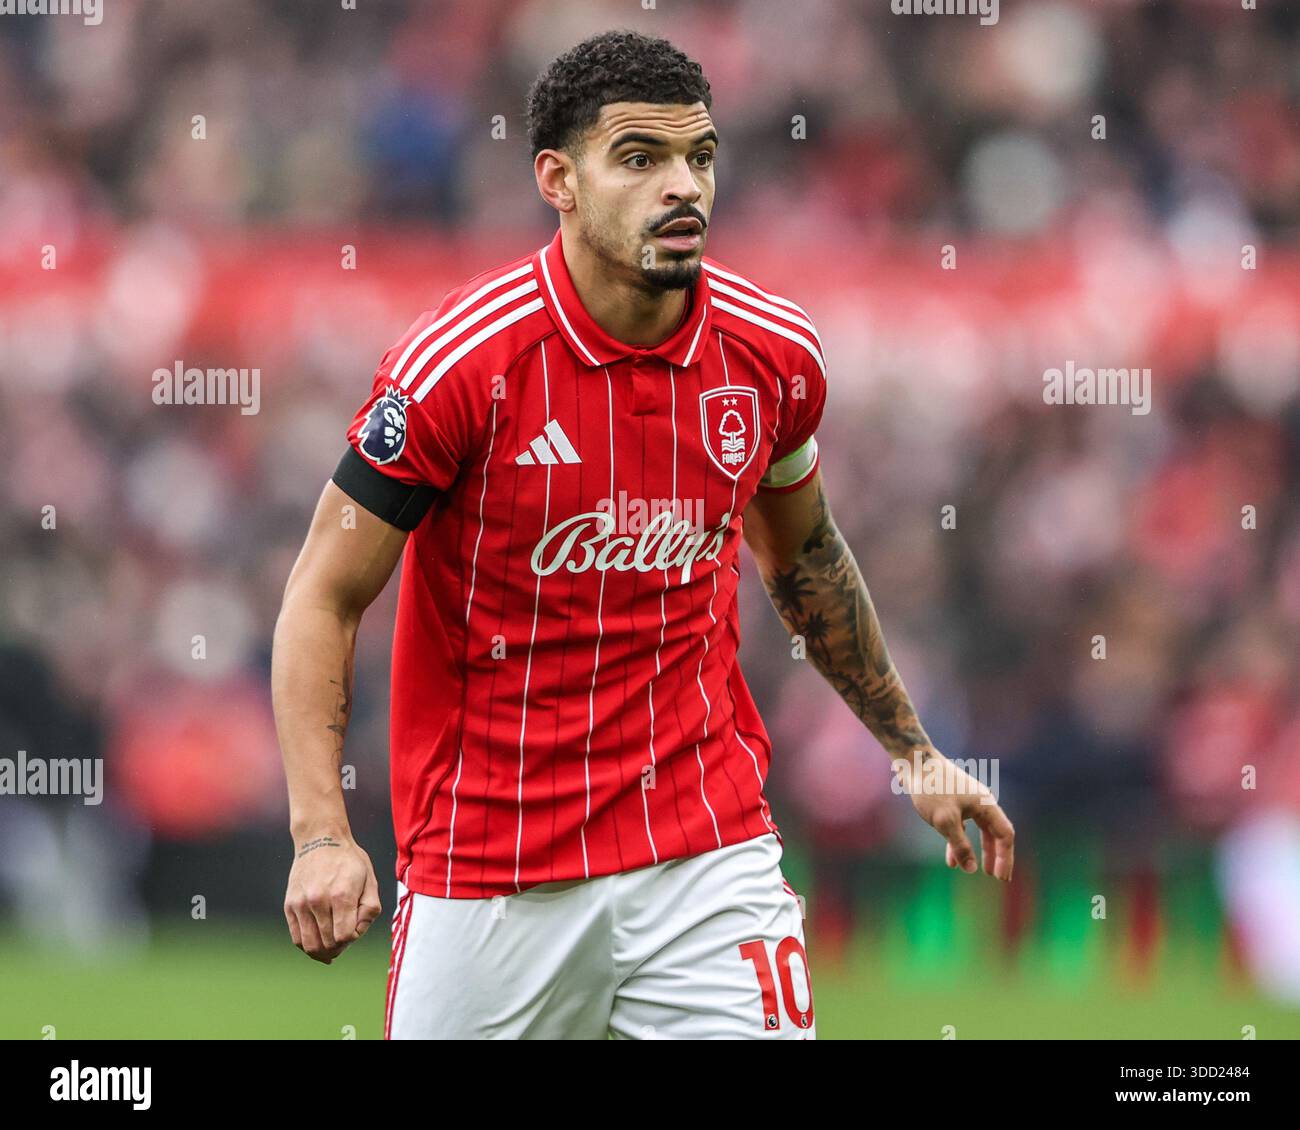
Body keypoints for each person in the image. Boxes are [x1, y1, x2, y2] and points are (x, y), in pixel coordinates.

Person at [271, 29, 1014, 1040]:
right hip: (491, 869)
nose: (683, 186)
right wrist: (321, 833)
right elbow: (324, 592)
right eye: (640, 158)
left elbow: (803, 558)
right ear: (558, 180)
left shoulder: (771, 355)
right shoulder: (461, 364)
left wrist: (914, 752)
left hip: (704, 851)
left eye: (700, 157)